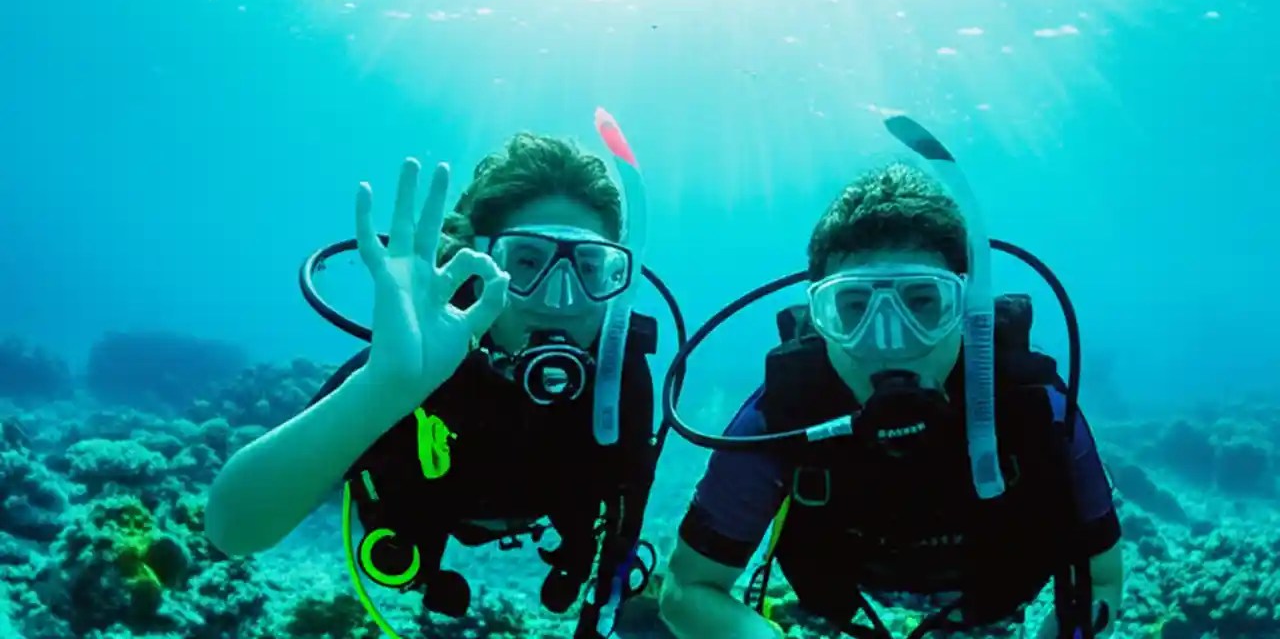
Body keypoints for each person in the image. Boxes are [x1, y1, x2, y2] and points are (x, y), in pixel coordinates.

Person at [656, 117, 1124, 639]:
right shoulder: (783, 419)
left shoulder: (1034, 409)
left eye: (922, 303)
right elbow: (687, 590)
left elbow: (1100, 580)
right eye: (854, 308)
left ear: (966, 311)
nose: (888, 342)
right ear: (820, 321)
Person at [206, 128, 677, 639]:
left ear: (616, 282)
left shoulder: (618, 376)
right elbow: (233, 530)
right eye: (525, 261)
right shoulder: (417, 361)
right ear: (474, 265)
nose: (560, 299)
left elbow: (625, 513)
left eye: (588, 268)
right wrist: (383, 389)